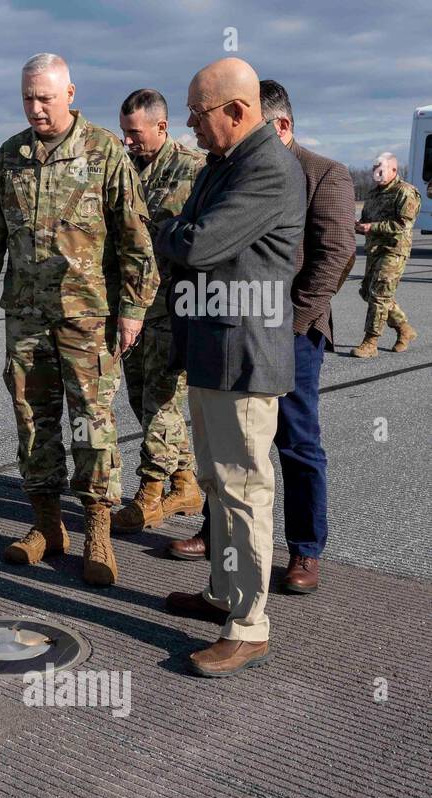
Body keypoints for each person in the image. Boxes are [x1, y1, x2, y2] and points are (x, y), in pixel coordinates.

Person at [0, 53, 157, 587]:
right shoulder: (11, 157)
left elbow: (135, 241)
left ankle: (97, 530)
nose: (35, 108)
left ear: (70, 94)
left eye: (45, 97)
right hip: (25, 317)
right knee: (33, 422)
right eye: (27, 97)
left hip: (88, 319)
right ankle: (47, 525)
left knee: (93, 424)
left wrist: (134, 311)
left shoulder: (103, 153)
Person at [167, 81, 355, 597]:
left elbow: (335, 256)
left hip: (291, 329)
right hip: (236, 330)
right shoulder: (226, 169)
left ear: (282, 125)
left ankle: (305, 551)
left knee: (296, 446)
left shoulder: (323, 174)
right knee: (232, 452)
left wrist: (288, 322)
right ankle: (215, 538)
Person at [154, 58, 305, 677]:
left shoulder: (267, 167)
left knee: (244, 490)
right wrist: (183, 229)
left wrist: (170, 227)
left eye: (197, 113)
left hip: (244, 356)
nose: (190, 125)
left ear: (237, 111)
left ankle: (249, 626)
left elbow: (196, 243)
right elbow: (197, 237)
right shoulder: (227, 163)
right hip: (214, 350)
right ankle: (224, 590)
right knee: (219, 484)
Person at [112, 89, 205, 534]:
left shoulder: (194, 169)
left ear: (162, 127)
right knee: (139, 400)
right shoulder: (124, 168)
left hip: (174, 306)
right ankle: (185, 482)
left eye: (135, 132)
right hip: (132, 308)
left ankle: (150, 492)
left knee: (161, 402)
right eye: (124, 132)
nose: (128, 141)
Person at [354, 152, 420, 357]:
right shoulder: (374, 194)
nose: (377, 172)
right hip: (375, 250)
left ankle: (370, 342)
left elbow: (404, 224)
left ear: (393, 170)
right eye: (375, 169)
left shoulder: (406, 192)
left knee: (380, 294)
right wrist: (359, 226)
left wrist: (371, 227)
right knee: (368, 291)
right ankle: (404, 329)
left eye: (381, 169)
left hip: (394, 250)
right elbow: (366, 219)